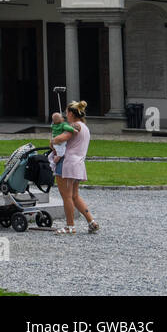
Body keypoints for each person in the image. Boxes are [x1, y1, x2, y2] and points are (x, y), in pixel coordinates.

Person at [51, 100, 99, 235]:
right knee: (75, 196)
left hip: (67, 164)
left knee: (66, 196)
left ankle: (70, 226)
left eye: (67, 113)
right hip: (78, 164)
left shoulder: (74, 126)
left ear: (72, 113)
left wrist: (53, 140)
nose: (66, 115)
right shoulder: (84, 127)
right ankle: (91, 222)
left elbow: (62, 138)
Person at [48, 111, 75, 175]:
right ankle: (53, 164)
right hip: (60, 143)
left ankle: (50, 158)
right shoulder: (63, 125)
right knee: (60, 155)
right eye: (61, 117)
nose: (63, 118)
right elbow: (69, 128)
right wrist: (74, 130)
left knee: (54, 152)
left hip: (54, 142)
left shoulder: (53, 125)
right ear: (60, 119)